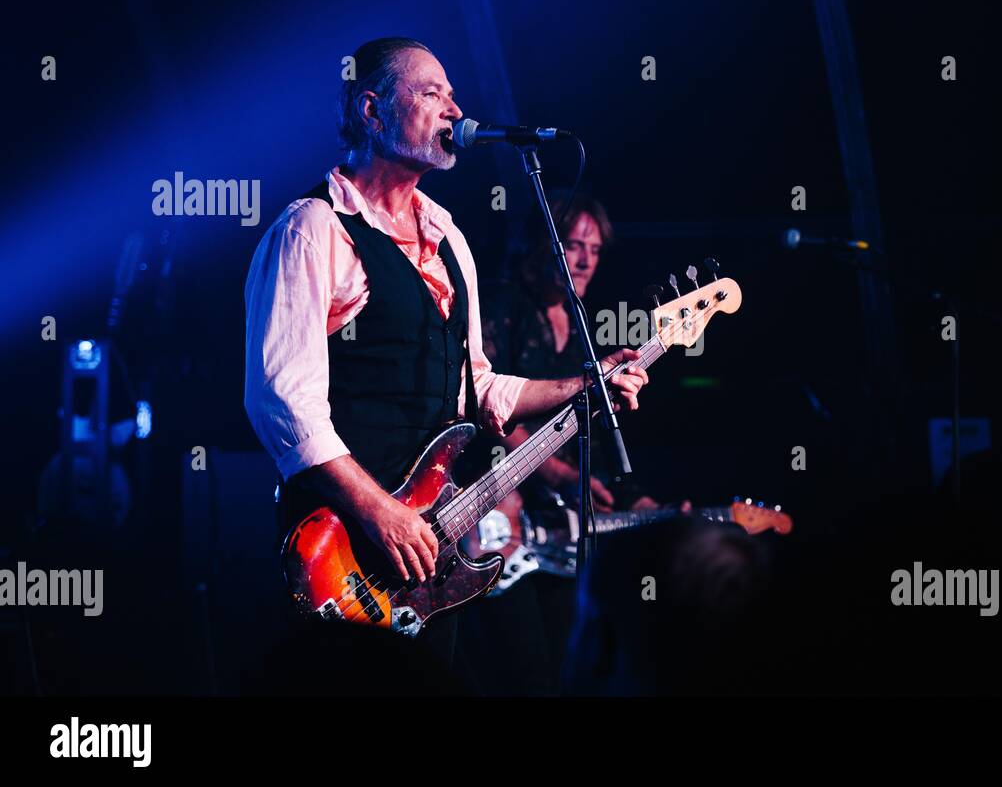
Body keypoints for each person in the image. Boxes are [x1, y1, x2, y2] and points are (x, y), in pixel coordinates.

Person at [242, 38, 648, 671]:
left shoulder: (449, 236)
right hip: (344, 550)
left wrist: (585, 384)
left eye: (454, 95)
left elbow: (477, 385)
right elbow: (282, 402)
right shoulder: (312, 228)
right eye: (431, 93)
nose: (454, 109)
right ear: (372, 110)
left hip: (427, 559)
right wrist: (378, 512)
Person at [459, 191, 682, 694]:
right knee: (522, 673)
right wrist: (561, 474)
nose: (582, 260)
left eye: (595, 249)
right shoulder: (502, 305)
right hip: (499, 521)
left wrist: (636, 502)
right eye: (572, 244)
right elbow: (487, 408)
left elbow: (596, 436)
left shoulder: (585, 325)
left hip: (563, 536)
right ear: (543, 244)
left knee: (569, 669)